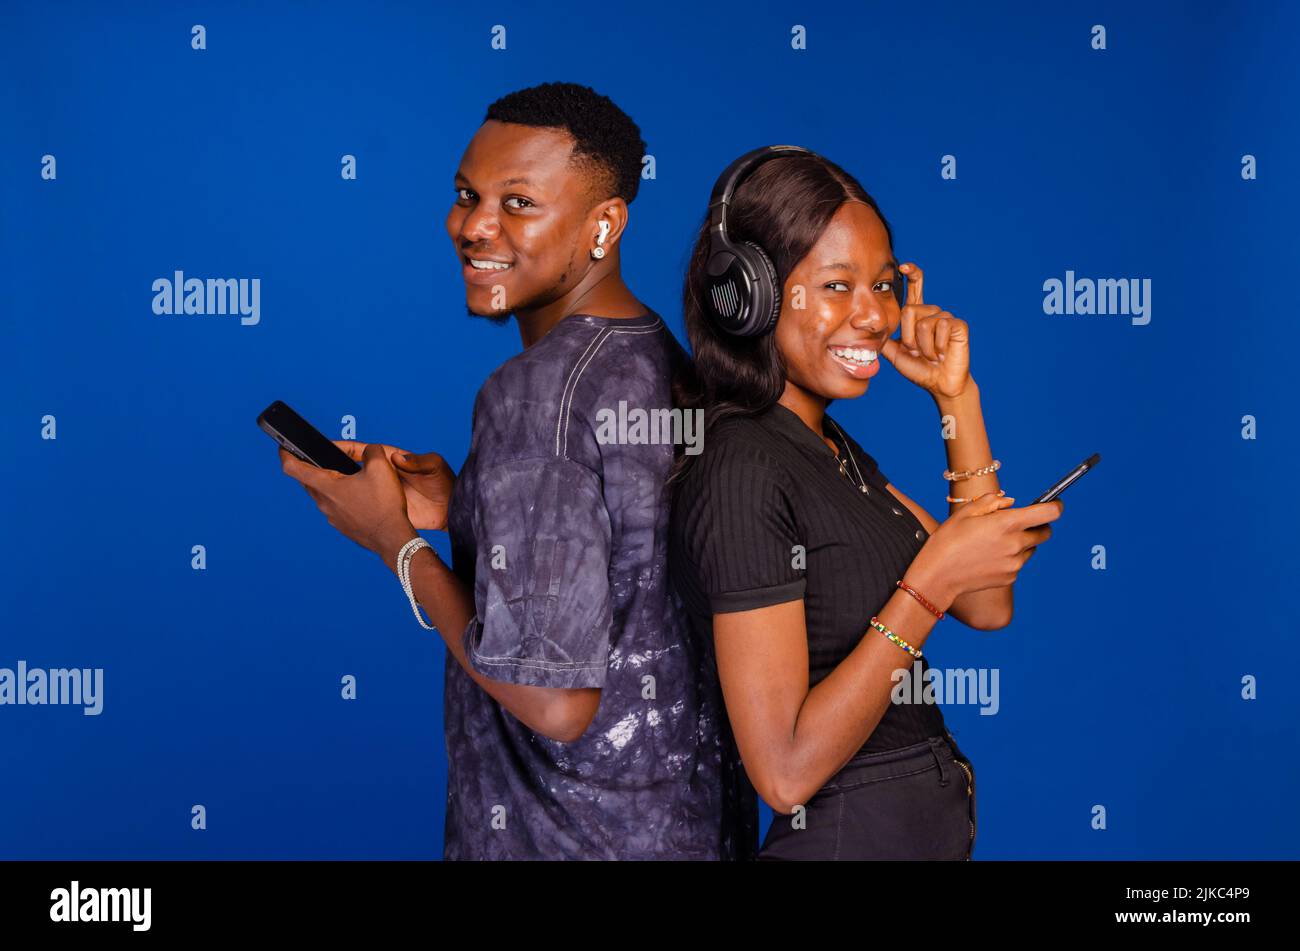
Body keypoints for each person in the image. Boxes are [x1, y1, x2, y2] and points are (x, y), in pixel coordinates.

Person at [279, 82, 756, 859]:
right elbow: (633, 569)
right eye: (468, 195)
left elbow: (556, 698)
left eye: (519, 203)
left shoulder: (534, 393)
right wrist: (466, 505)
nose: (474, 227)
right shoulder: (660, 357)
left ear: (605, 224)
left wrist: (396, 542)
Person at [667, 145, 1064, 860]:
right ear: (747, 293)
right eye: (837, 286)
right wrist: (930, 580)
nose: (876, 317)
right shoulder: (740, 468)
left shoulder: (828, 447)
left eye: (884, 286)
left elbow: (985, 602)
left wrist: (956, 399)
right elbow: (784, 772)